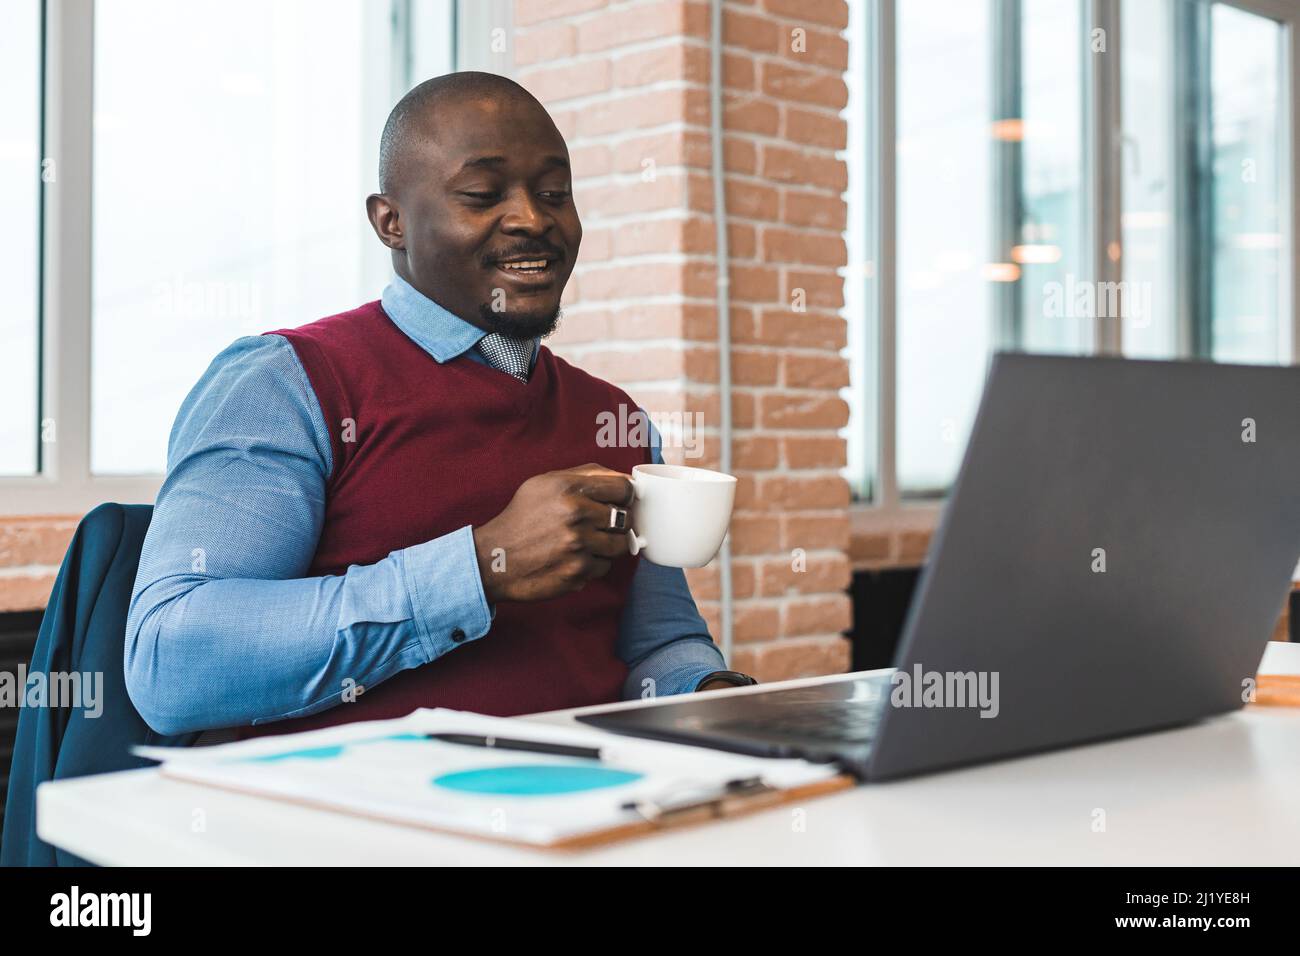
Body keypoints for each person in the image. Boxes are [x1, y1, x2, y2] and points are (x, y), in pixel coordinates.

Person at [125, 71, 753, 740]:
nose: (533, 220)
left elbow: (659, 647)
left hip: (591, 815)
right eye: (482, 195)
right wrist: (480, 568)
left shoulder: (615, 418)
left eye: (554, 194)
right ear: (390, 222)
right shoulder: (286, 383)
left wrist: (715, 695)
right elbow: (171, 664)